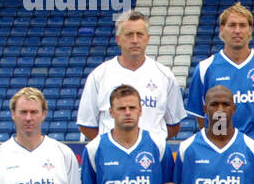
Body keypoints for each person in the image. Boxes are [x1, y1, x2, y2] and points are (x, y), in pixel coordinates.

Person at [77, 11, 184, 142]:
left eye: (139, 34)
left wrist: (151, 144)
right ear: (118, 40)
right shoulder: (99, 75)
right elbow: (86, 125)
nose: (135, 40)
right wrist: (111, 145)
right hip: (113, 157)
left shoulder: (165, 76)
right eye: (129, 35)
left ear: (148, 38)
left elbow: (174, 125)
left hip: (151, 157)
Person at [186, 2, 254, 138]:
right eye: (232, 25)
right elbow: (201, 116)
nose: (237, 30)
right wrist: (219, 138)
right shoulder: (205, 68)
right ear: (222, 29)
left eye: (242, 25)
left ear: (250, 30)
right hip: (221, 144)